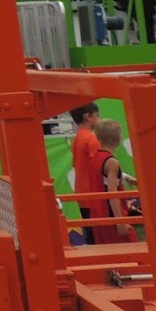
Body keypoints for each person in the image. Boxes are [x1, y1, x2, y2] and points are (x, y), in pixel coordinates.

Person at [90, 120, 137, 245]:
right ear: (118, 138)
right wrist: (120, 221)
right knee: (131, 248)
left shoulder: (95, 157)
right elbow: (112, 193)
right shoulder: (112, 162)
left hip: (98, 213)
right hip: (110, 215)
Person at [70, 102, 104, 243]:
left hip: (82, 192)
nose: (99, 119)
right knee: (100, 237)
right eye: (97, 115)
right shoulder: (92, 139)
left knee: (90, 235)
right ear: (88, 117)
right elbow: (101, 165)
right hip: (94, 194)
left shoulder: (78, 138)